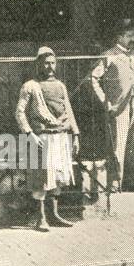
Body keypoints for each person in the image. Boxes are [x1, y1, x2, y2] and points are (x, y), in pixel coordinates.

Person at [15, 46, 80, 231]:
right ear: (39, 64)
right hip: (41, 138)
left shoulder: (60, 86)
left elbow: (69, 111)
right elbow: (19, 112)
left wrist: (75, 135)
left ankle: (55, 215)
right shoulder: (30, 86)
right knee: (41, 180)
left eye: (52, 63)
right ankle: (41, 218)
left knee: (57, 178)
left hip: (60, 137)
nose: (50, 66)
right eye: (46, 63)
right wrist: (29, 134)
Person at [90, 18, 134, 192]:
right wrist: (106, 101)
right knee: (118, 144)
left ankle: (130, 180)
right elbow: (93, 78)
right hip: (119, 108)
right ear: (119, 37)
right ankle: (115, 183)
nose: (132, 39)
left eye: (133, 35)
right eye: (128, 36)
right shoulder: (109, 56)